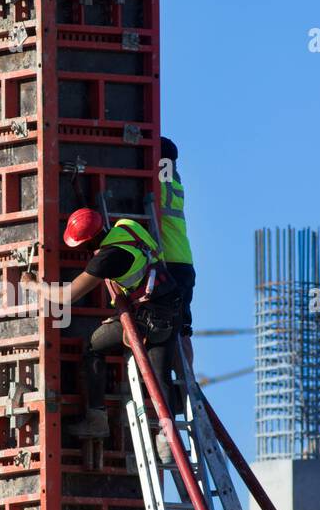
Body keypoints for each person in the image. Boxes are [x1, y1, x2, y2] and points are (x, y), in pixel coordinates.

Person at [22, 207, 182, 451]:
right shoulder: (127, 224)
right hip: (170, 305)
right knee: (162, 381)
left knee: (94, 347)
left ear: (89, 241)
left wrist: (35, 286)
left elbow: (67, 295)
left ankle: (96, 419)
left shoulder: (106, 259)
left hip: (150, 319)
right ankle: (168, 441)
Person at [159, 137, 196, 370]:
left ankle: (182, 378)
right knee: (182, 327)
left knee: (165, 326)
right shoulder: (176, 184)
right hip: (183, 261)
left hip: (167, 262)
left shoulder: (158, 185)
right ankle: (189, 380)